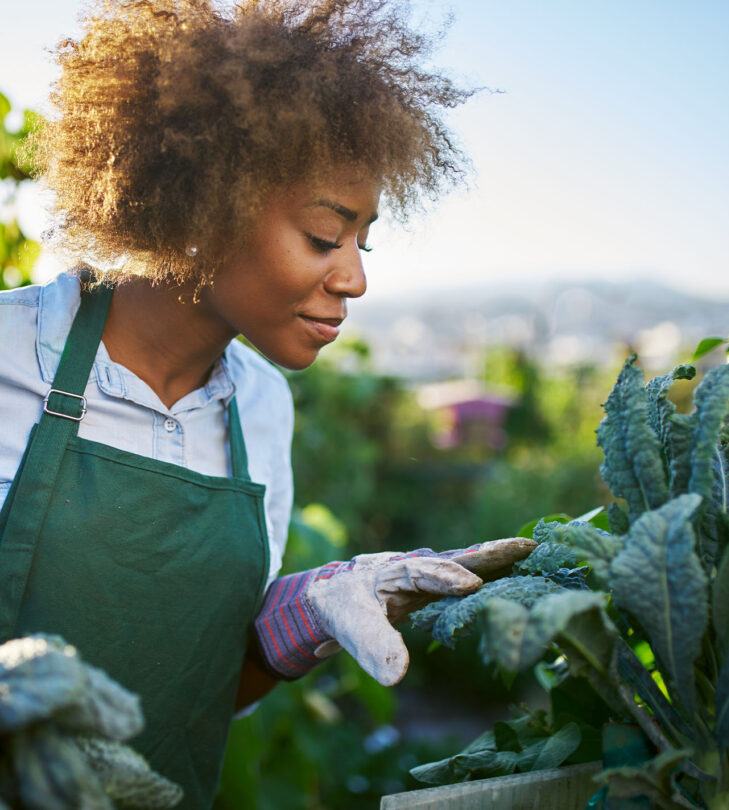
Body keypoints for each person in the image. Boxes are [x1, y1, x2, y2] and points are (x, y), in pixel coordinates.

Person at [0, 1, 534, 807]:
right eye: (326, 236)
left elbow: (212, 690)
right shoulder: (10, 359)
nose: (354, 278)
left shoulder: (262, 408)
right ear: (198, 208)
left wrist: (312, 616)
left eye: (364, 241)